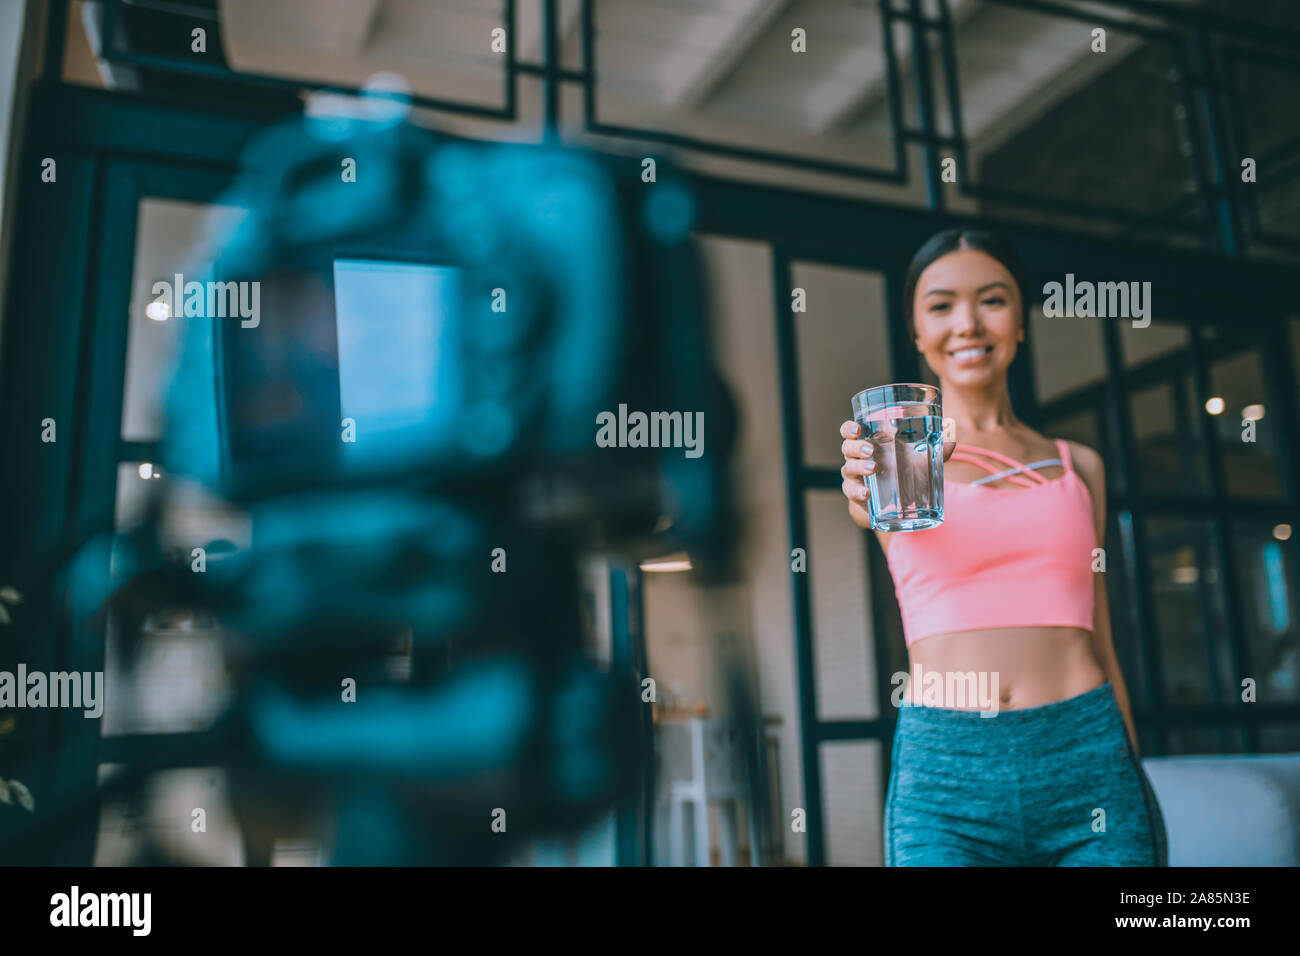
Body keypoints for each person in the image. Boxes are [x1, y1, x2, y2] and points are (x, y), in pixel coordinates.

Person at [839, 227, 1168, 866]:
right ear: (915, 332)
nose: (966, 322)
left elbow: (1100, 634)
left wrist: (1130, 763)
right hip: (947, 772)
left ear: (1020, 323)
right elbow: (865, 506)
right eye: (940, 305)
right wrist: (860, 483)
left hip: (1088, 757)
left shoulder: (1081, 466)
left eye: (991, 300)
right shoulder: (900, 462)